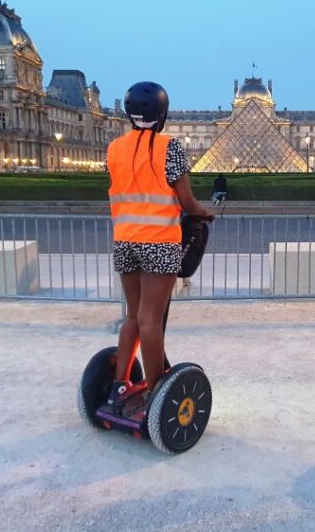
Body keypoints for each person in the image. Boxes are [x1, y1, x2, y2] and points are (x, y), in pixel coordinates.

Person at [107, 81, 213, 414]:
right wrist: (202, 212)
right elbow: (186, 200)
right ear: (162, 113)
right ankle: (155, 393)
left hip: (124, 240)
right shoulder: (170, 147)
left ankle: (119, 386)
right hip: (158, 242)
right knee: (151, 320)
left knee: (133, 317)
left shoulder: (114, 148)